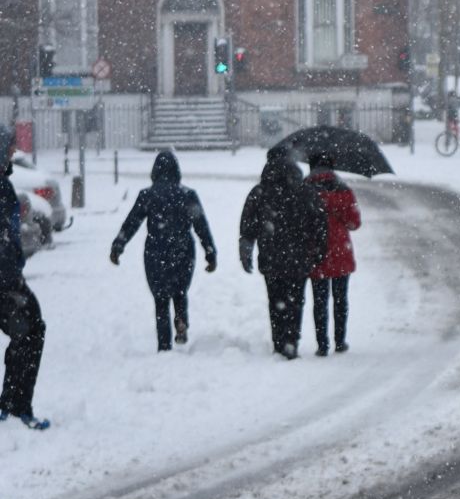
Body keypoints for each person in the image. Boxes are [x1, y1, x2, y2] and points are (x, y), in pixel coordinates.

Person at [110, 151, 217, 352]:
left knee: (160, 299)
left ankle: (164, 345)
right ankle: (181, 321)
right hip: (183, 250)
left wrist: (118, 245)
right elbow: (201, 225)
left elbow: (132, 222)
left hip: (156, 252)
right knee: (180, 291)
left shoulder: (147, 196)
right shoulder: (188, 195)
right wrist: (210, 251)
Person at [239, 155, 328, 361]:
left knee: (275, 300)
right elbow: (320, 222)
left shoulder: (260, 193)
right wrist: (319, 250)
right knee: (296, 300)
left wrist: (246, 251)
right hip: (300, 257)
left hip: (271, 258)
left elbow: (248, 226)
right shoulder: (305, 191)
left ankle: (279, 341)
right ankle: (291, 340)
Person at [0, 142, 50, 430]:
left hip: (7, 279)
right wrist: (10, 281)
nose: (10, 156)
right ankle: (17, 406)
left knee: (26, 332)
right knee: (32, 330)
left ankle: (11, 404)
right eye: (6, 151)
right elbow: (5, 238)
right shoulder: (2, 188)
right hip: (6, 282)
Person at [305, 157, 362, 357]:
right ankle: (340, 340)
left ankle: (322, 344)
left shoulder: (305, 190)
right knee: (340, 299)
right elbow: (354, 223)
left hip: (316, 252)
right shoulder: (343, 190)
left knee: (319, 300)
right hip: (340, 252)